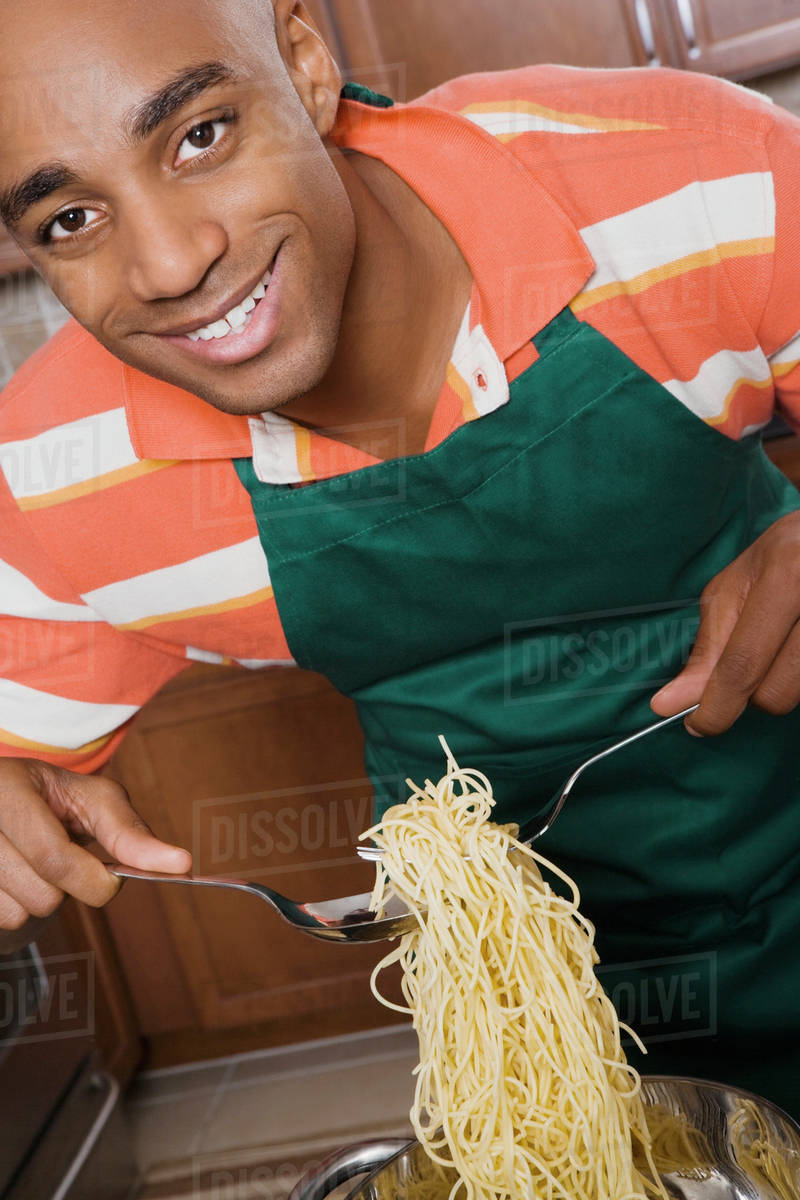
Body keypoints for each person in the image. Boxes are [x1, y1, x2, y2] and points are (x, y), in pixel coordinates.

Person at [1, 0, 800, 1113]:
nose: (173, 263)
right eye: (72, 217)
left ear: (304, 62)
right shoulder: (61, 478)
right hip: (534, 1007)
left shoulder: (694, 180)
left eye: (200, 135)